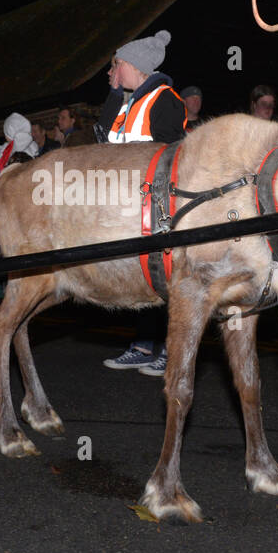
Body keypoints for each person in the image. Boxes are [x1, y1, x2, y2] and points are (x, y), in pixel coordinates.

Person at [94, 29, 186, 375]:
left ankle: (169, 350)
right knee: (142, 281)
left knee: (163, 281)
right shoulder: (130, 100)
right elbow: (103, 139)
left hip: (155, 206)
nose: (113, 71)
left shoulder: (165, 99)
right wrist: (114, 93)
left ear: (135, 65)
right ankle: (142, 345)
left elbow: (168, 151)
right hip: (129, 204)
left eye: (118, 65)